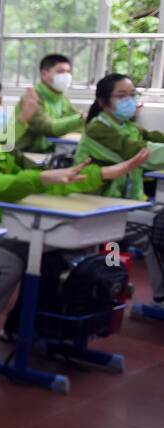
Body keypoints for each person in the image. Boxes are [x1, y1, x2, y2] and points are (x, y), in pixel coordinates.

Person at [0, 74, 146, 352]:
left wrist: (98, 173)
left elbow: (38, 174)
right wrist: (42, 179)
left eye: (0, 102)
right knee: (4, 266)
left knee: (50, 250)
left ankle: (27, 330)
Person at [76, 73, 164, 303]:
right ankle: (161, 297)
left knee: (158, 221)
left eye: (132, 95)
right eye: (122, 95)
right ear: (103, 102)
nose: (129, 100)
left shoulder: (127, 126)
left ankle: (114, 276)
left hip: (125, 202)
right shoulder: (99, 129)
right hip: (99, 205)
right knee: (155, 229)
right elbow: (144, 154)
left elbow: (155, 138)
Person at [14, 53, 86, 156]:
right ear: (44, 74)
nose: (66, 76)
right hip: (25, 153)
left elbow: (77, 121)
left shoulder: (62, 99)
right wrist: (81, 119)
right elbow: (46, 127)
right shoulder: (32, 99)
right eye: (60, 72)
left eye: (68, 72)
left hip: (50, 151)